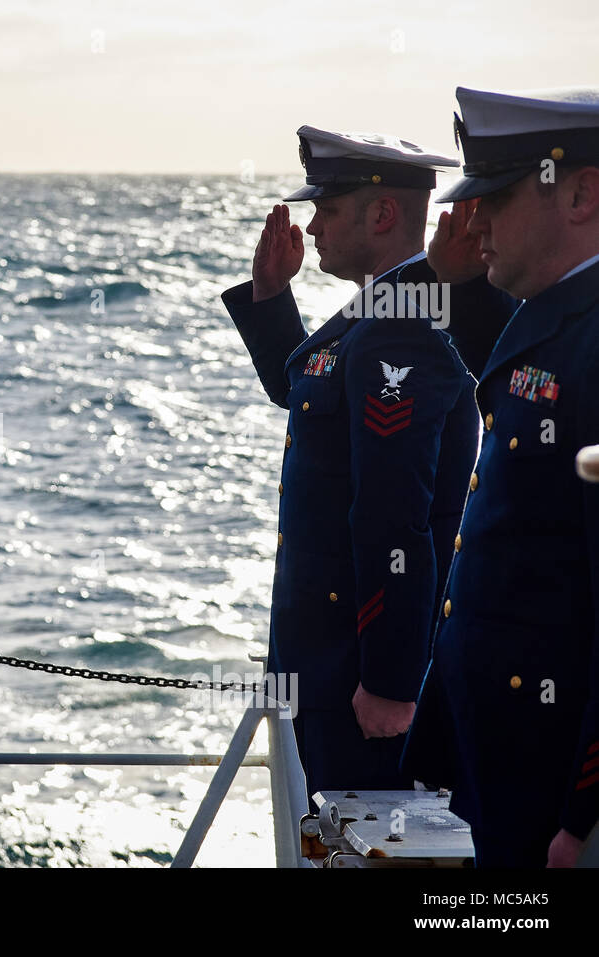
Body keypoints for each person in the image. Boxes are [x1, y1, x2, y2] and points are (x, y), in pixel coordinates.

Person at [220, 127, 480, 802]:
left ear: (383, 214)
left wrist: (392, 681)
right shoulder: (380, 313)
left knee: (365, 839)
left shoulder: (404, 326)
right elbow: (312, 396)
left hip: (359, 677)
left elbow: (397, 516)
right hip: (331, 664)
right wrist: (272, 296)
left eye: (327, 211)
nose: (312, 226)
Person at [402, 86, 599, 868]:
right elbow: (511, 382)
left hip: (551, 790)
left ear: (582, 192)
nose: (474, 218)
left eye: (498, 195)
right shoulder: (555, 317)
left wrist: (582, 814)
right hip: (498, 765)